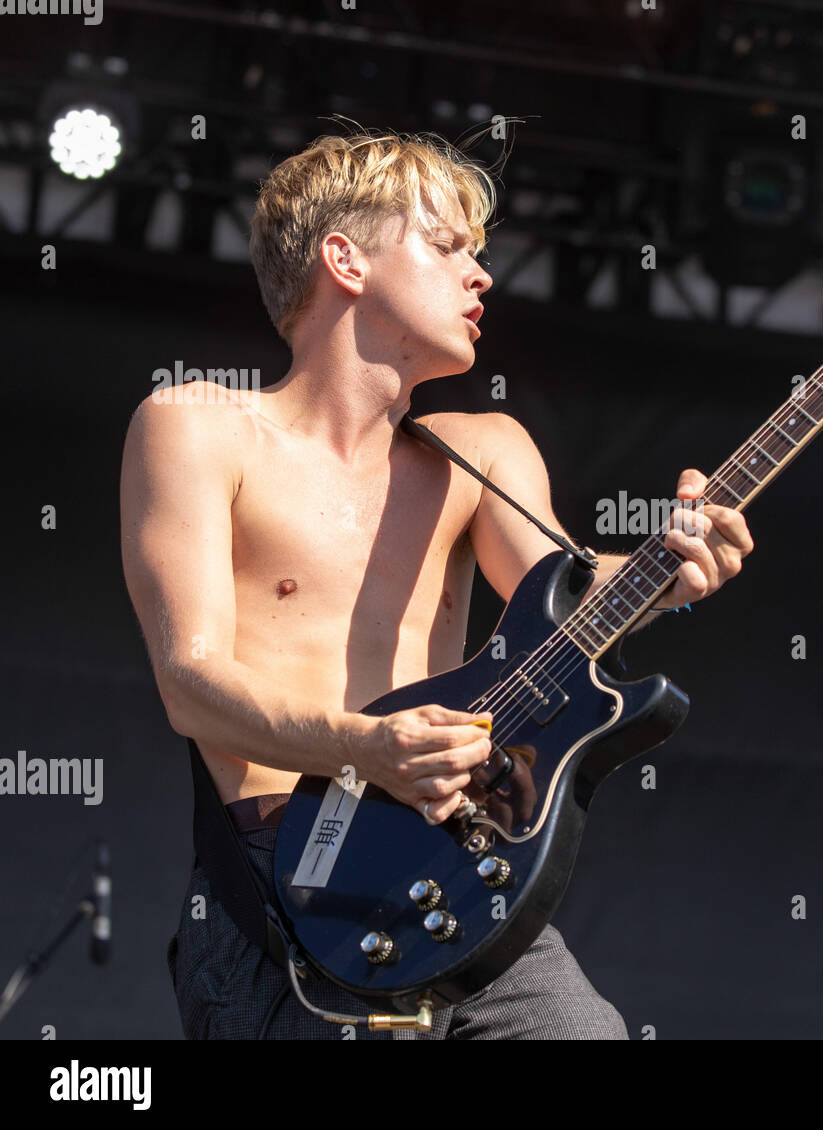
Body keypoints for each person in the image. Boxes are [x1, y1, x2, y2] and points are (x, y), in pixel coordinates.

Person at [119, 130, 754, 1039]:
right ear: (345, 259)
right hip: (292, 878)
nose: (481, 276)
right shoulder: (197, 425)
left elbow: (565, 603)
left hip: (459, 858)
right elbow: (190, 683)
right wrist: (365, 748)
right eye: (449, 246)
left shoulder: (482, 452)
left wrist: (673, 568)